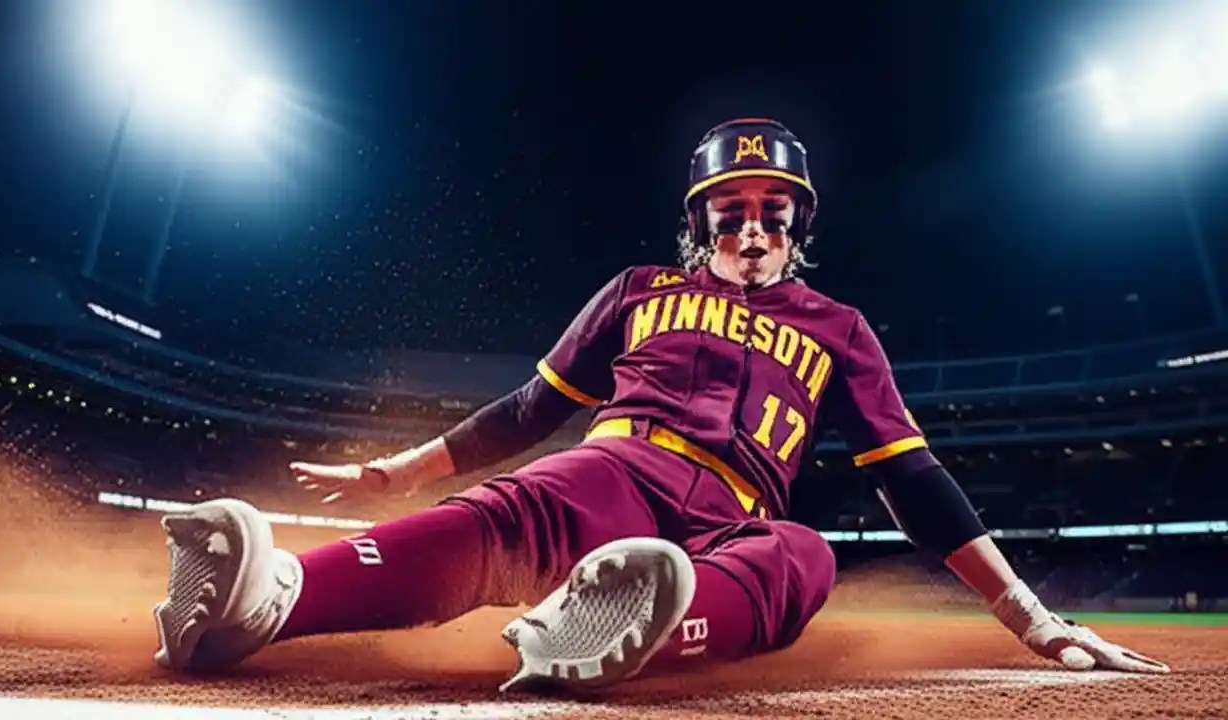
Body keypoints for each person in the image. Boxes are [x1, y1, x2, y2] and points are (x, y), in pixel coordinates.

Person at [151, 118, 1170, 692]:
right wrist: (398, 471)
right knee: (519, 508)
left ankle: (601, 633)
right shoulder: (641, 288)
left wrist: (1028, 617)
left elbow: (912, 480)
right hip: (618, 467)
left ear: (797, 224)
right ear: (702, 223)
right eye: (732, 210)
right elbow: (528, 406)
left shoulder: (840, 327)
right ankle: (264, 603)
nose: (753, 225)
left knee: (802, 557)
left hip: (735, 512)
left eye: (774, 210)